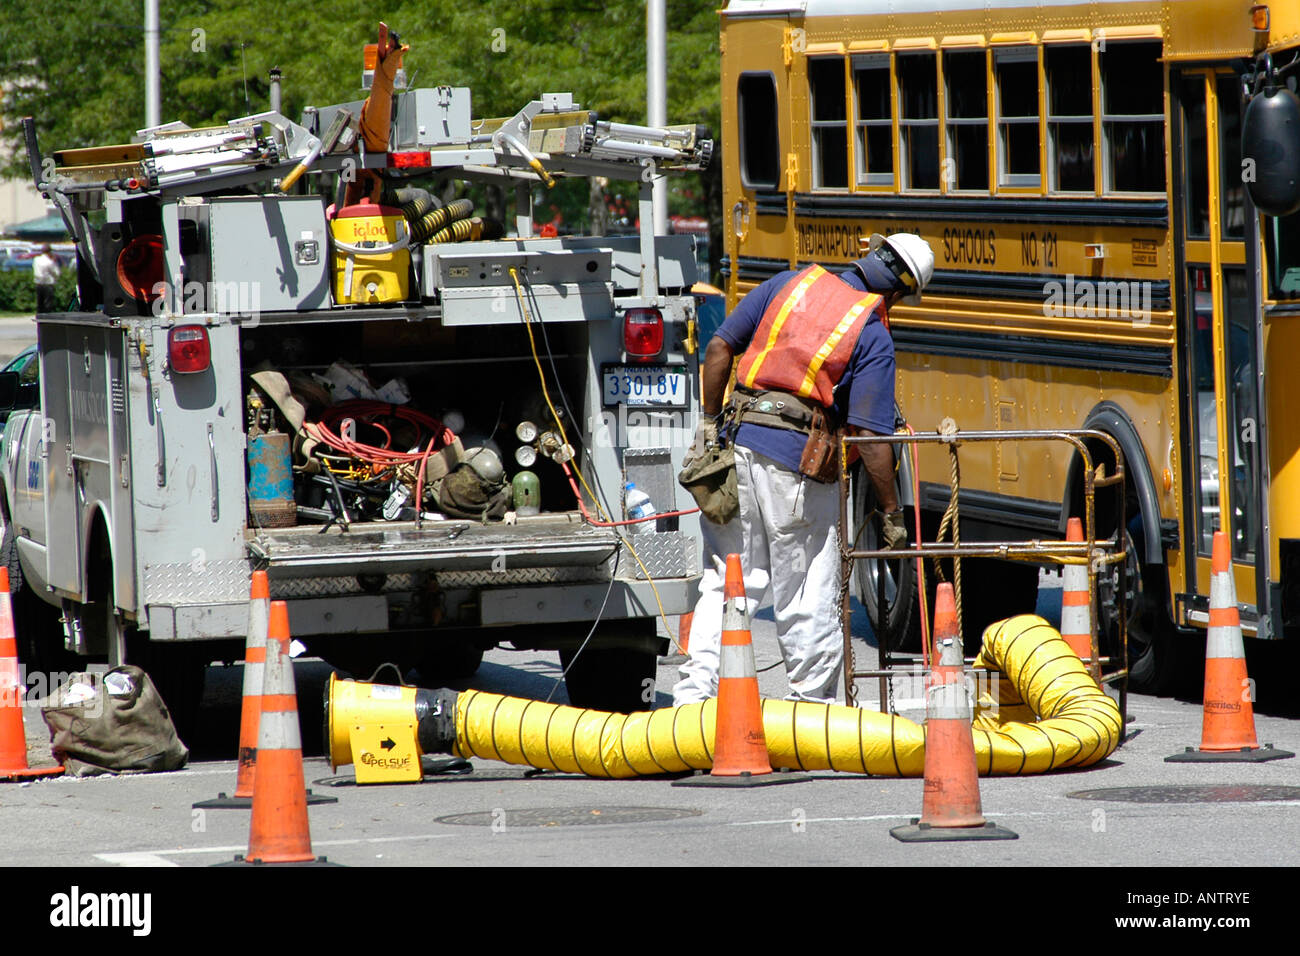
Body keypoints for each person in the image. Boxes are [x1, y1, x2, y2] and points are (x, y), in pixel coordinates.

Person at [673, 233, 934, 705]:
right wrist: (892, 513)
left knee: (729, 579)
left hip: (738, 447)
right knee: (807, 589)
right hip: (798, 465)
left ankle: (692, 703)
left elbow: (717, 351)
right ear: (897, 292)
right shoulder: (870, 330)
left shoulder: (788, 283)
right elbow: (872, 440)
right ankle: (811, 711)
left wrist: (710, 429)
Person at [32, 243, 61, 314]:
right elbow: (57, 273)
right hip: (48, 283)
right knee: (48, 303)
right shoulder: (50, 262)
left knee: (40, 302)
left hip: (38, 283)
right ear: (50, 252)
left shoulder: (36, 259)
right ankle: (47, 316)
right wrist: (54, 261)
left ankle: (39, 315)